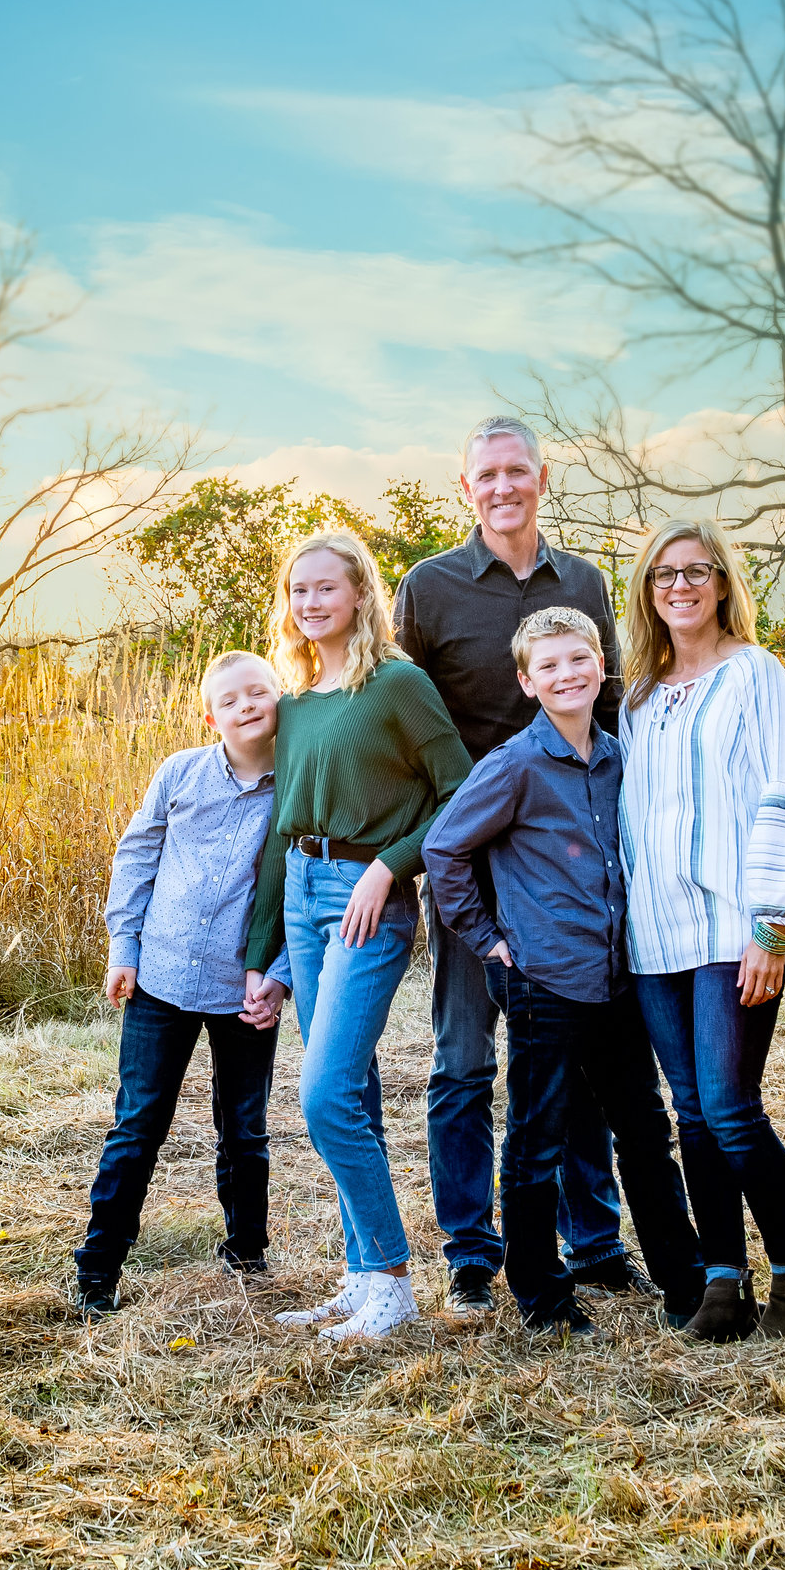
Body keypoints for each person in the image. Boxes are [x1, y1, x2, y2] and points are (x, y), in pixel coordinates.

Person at [392, 415, 640, 1322]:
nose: (502, 487)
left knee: (572, 1058)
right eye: (485, 475)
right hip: (471, 857)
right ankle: (470, 1248)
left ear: (542, 478)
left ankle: (596, 1241)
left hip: (564, 860)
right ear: (466, 488)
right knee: (462, 1061)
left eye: (517, 472)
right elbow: (398, 712)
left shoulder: (582, 582)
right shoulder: (428, 588)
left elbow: (607, 707)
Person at [422, 607, 707, 1341]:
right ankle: (543, 1298)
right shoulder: (514, 765)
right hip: (543, 981)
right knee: (536, 1139)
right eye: (547, 666)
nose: (566, 674)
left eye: (578, 660)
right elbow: (445, 850)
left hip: (617, 979)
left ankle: (685, 1283)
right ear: (526, 682)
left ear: (601, 667)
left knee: (644, 1133)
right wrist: (487, 939)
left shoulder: (620, 757)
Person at [244, 530, 470, 1344]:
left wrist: (389, 867)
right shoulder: (295, 704)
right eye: (297, 590)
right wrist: (260, 958)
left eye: (325, 589)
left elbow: (461, 793)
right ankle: (359, 1276)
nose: (309, 604)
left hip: (365, 899)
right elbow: (280, 831)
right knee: (356, 1092)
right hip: (303, 891)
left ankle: (394, 1279)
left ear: (360, 595)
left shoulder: (398, 686)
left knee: (324, 1092)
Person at [618, 517, 785, 1342]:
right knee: (691, 1115)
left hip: (730, 927)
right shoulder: (638, 697)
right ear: (646, 591)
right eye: (662, 575)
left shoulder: (754, 676)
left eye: (695, 572)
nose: (679, 586)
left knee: (731, 1107)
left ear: (721, 583)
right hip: (656, 935)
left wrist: (773, 928)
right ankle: (721, 1282)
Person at [74, 651, 292, 1317]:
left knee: (245, 1127)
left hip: (244, 990)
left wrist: (280, 978)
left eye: (260, 692)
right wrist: (123, 947)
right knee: (138, 1124)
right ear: (210, 716)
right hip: (160, 979)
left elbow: (304, 893)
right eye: (230, 699)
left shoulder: (299, 788)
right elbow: (137, 856)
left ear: (280, 701)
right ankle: (98, 1268)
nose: (247, 705)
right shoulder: (179, 772)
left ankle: (247, 1253)